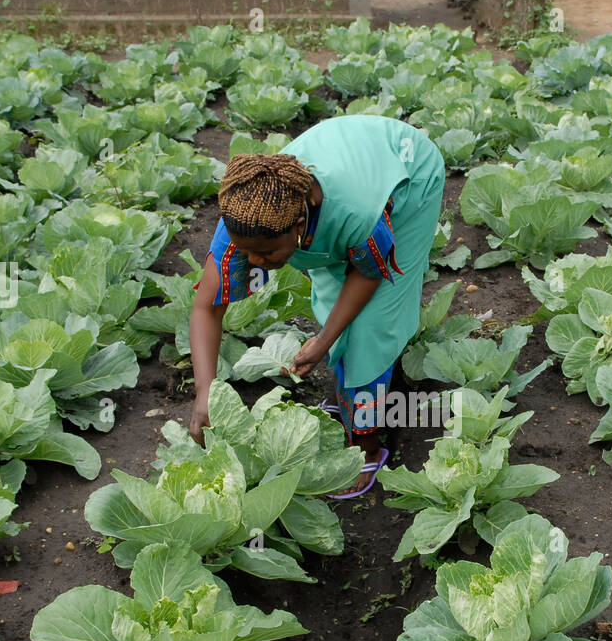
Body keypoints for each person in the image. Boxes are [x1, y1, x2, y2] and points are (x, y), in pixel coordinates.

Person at [188, 115, 446, 498]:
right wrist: (204, 391)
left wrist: (324, 340)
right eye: (247, 253)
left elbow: (369, 274)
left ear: (298, 226)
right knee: (333, 303)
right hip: (348, 160)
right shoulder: (248, 220)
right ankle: (350, 395)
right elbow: (207, 308)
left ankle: (367, 445)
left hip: (410, 176)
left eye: (268, 253)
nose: (256, 262)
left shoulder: (356, 213)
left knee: (369, 329)